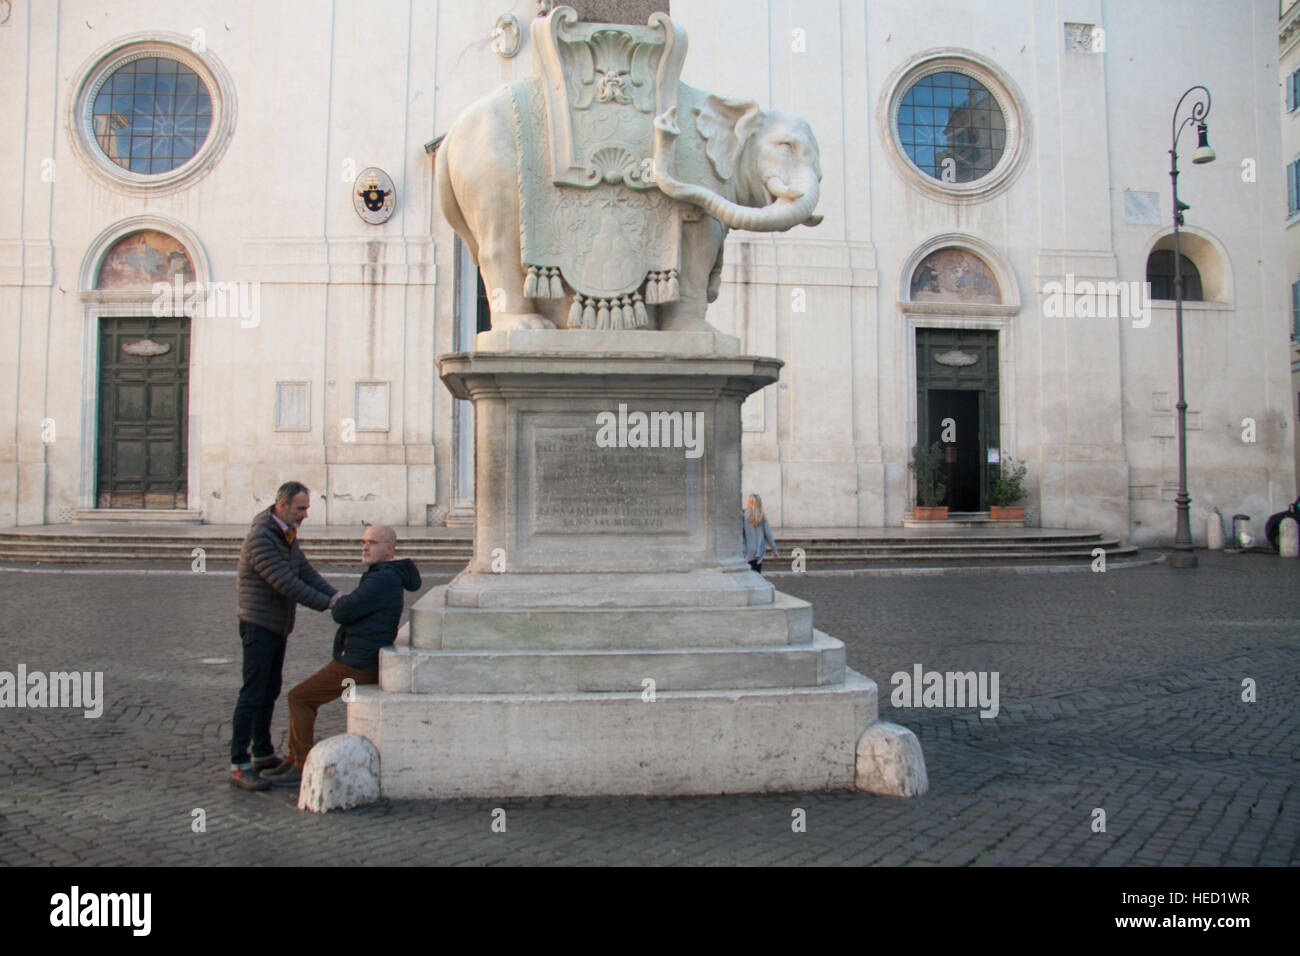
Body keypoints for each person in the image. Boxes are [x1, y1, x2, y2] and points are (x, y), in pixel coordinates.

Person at [262, 524, 421, 788]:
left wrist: (342, 602)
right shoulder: (385, 574)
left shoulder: (382, 578)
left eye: (372, 542)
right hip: (362, 654)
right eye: (364, 541)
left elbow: (343, 612)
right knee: (301, 697)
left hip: (358, 661)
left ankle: (299, 762)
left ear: (389, 549)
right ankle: (294, 758)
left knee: (299, 698)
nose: (365, 547)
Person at [229, 481, 339, 791]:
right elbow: (286, 583)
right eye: (300, 508)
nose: (305, 514)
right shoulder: (261, 538)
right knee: (252, 694)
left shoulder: (285, 534)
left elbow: (305, 572)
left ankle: (263, 753)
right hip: (258, 625)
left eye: (306, 508)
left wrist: (337, 596)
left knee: (269, 690)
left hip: (276, 625)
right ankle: (239, 763)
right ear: (282, 505)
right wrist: (329, 605)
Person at [743, 492, 779, 573]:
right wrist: (774, 549)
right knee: (757, 574)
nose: (746, 502)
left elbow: (741, 534)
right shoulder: (762, 516)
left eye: (748, 501)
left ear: (750, 503)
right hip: (759, 550)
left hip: (747, 550)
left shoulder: (744, 516)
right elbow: (768, 534)